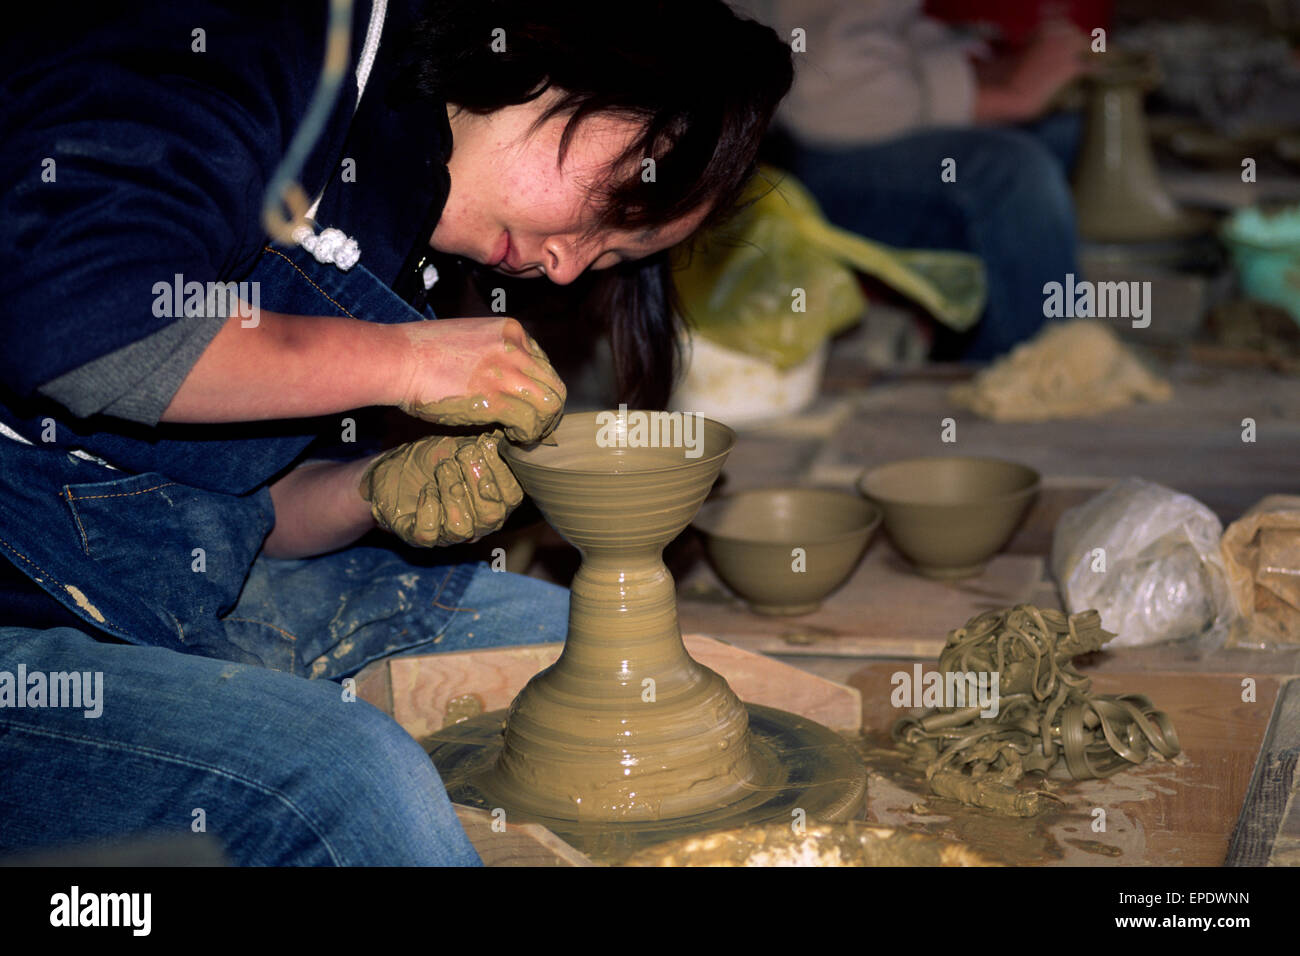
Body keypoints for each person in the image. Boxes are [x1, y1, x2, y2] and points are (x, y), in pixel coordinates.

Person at [0, 0, 793, 865]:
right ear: (559, 52)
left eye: (611, 259)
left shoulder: (411, 189)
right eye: (610, 214)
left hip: (130, 576)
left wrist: (371, 490)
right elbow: (77, 316)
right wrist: (401, 362)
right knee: (343, 779)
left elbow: (225, 513)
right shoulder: (252, 39)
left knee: (597, 658)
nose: (568, 267)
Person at [747, 0, 1091, 359]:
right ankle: (1044, 382)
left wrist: (998, 68)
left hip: (843, 100)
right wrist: (1011, 95)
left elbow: (886, 25)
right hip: (779, 154)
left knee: (1070, 137)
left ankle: (978, 336)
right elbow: (818, 94)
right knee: (1013, 176)